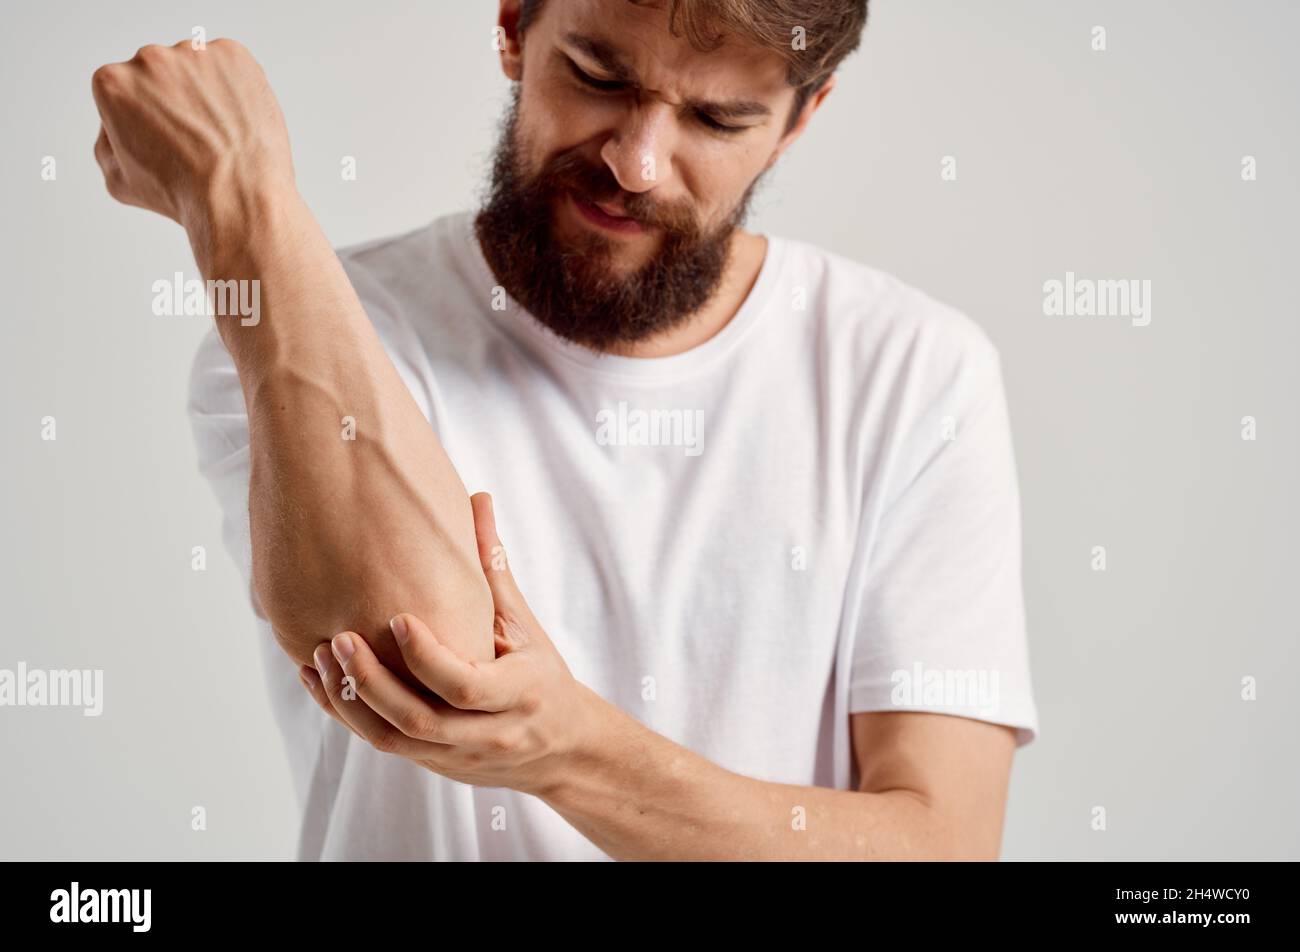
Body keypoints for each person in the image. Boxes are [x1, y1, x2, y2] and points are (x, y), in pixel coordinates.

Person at [92, 0, 1039, 860]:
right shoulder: (316, 325)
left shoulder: (915, 375)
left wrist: (568, 746)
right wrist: (240, 199)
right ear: (513, 25)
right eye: (596, 75)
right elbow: (422, 667)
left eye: (717, 119)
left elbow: (943, 846)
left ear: (802, 118)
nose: (636, 163)